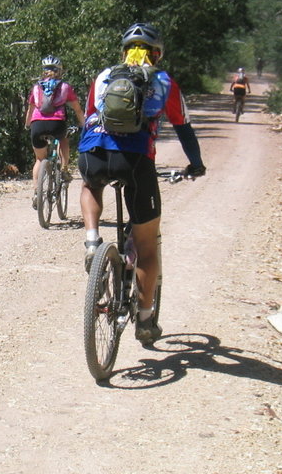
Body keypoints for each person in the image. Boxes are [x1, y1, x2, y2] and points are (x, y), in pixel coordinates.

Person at [78, 23, 206, 345]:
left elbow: (91, 113)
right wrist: (195, 164)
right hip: (135, 160)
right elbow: (184, 127)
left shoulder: (105, 75)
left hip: (93, 151)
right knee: (147, 246)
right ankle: (146, 321)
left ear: (124, 52)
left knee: (91, 186)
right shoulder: (164, 81)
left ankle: (92, 241)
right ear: (157, 54)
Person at [25, 55, 85, 207]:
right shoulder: (65, 87)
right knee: (63, 139)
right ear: (60, 71)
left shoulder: (36, 87)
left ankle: (37, 193)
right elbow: (77, 109)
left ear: (43, 71)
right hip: (57, 123)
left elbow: (31, 109)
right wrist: (83, 124)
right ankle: (64, 169)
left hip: (37, 124)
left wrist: (27, 125)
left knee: (39, 159)